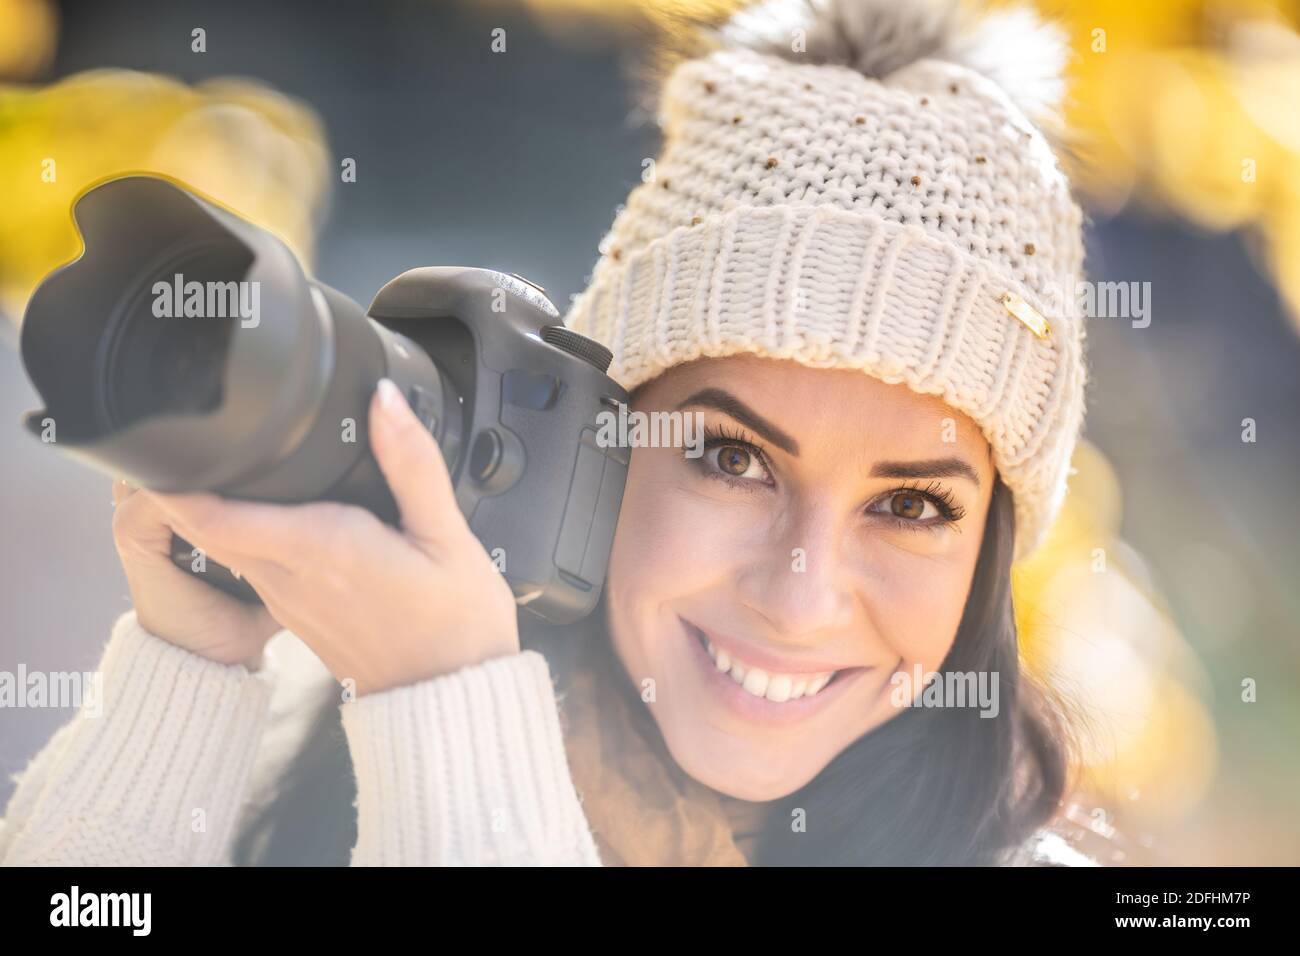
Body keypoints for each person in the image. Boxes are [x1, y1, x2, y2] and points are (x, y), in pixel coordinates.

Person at [0, 0, 1101, 867]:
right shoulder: (303, 733)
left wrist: (442, 714)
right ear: (596, 442)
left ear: (991, 552)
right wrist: (186, 674)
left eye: (911, 504)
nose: (800, 598)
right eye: (730, 457)